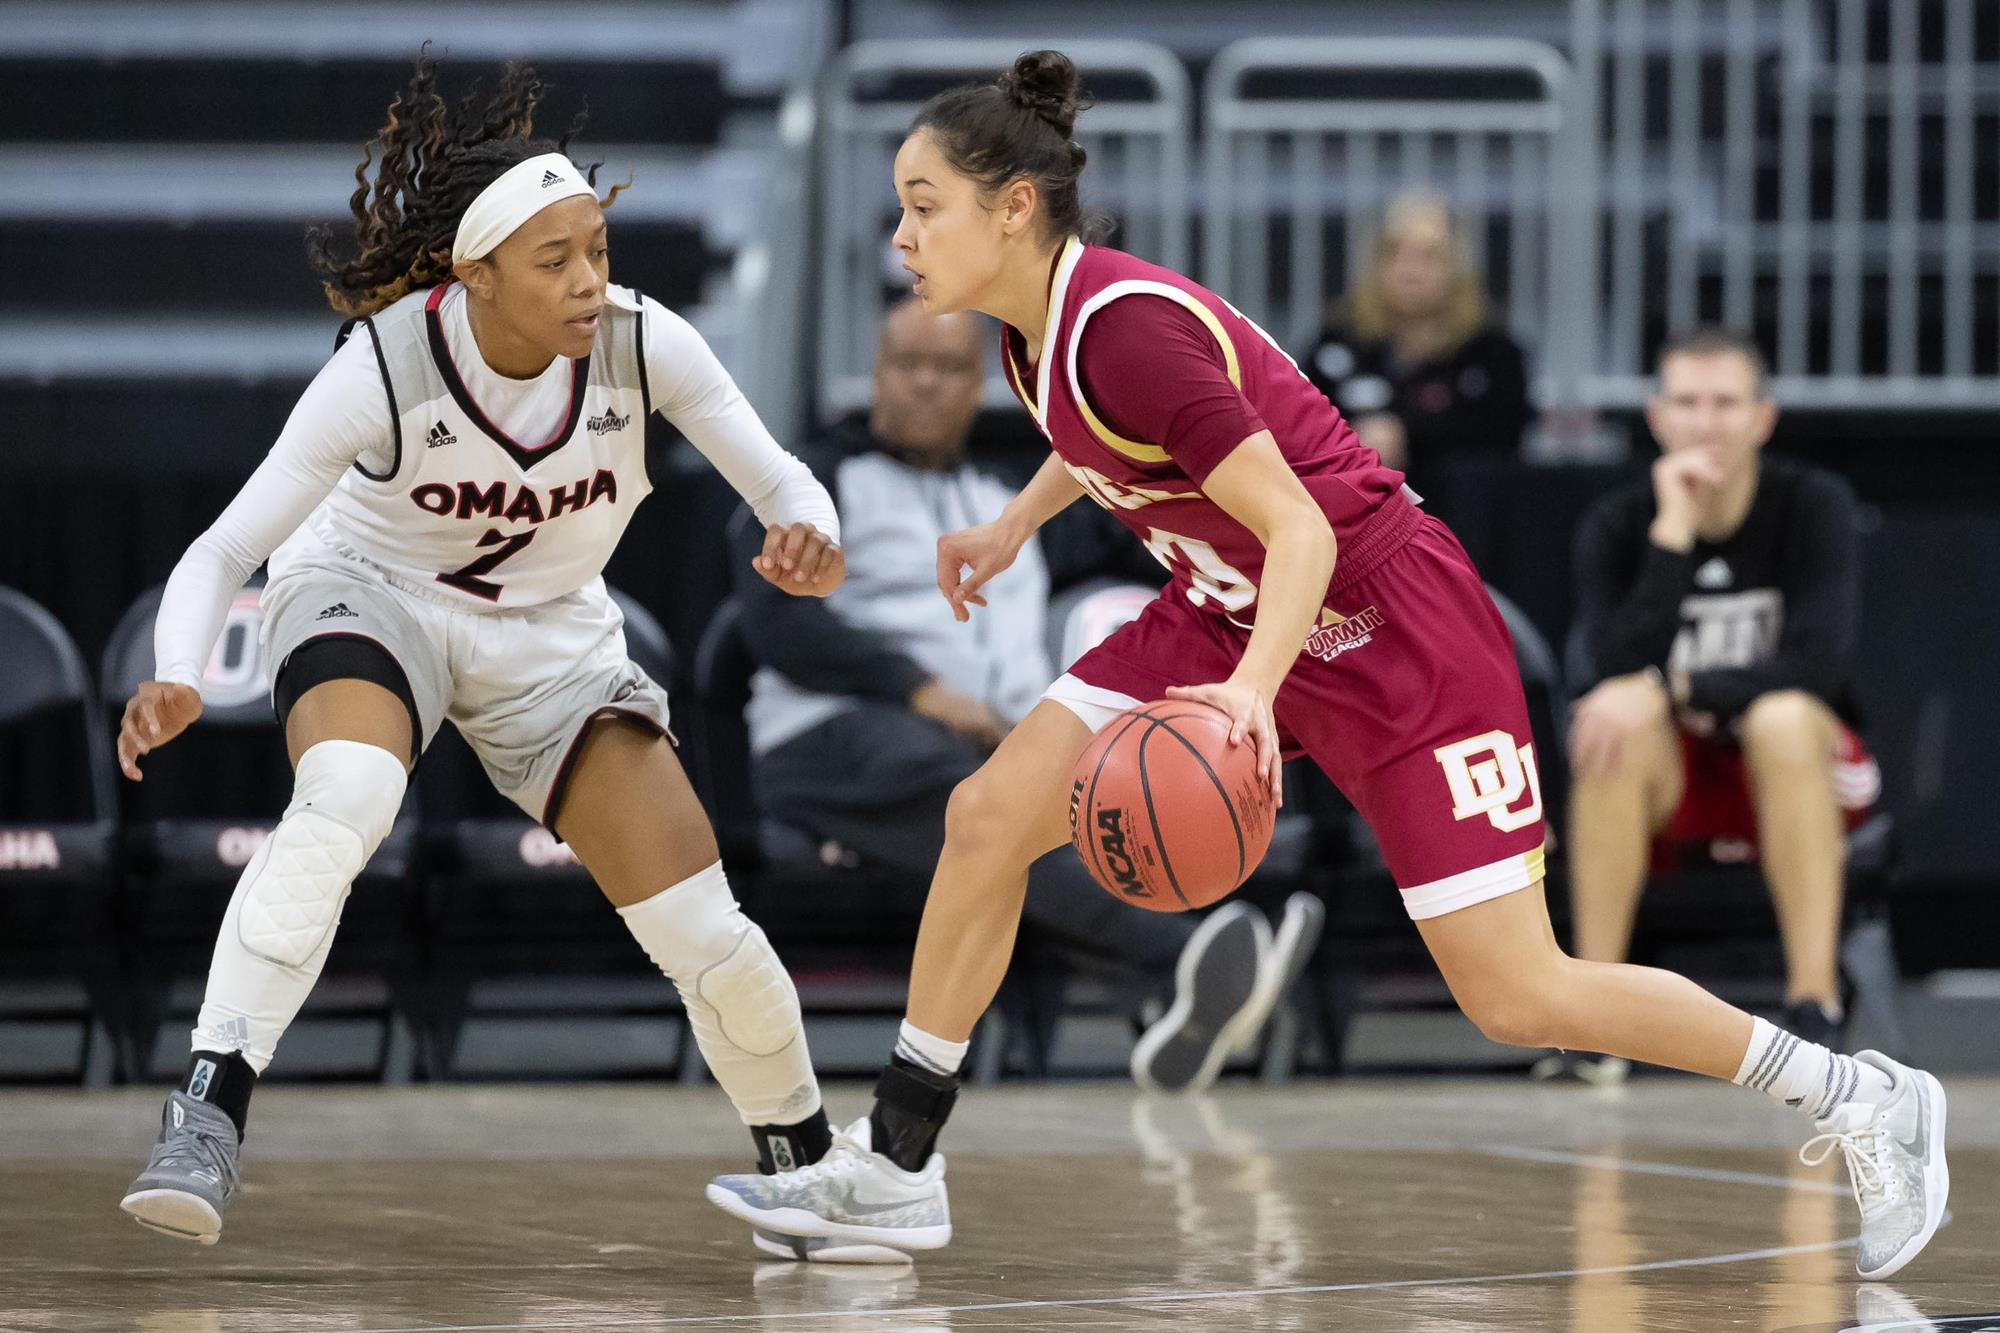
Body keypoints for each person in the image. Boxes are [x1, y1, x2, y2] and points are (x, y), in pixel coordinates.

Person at [703, 51, 1947, 1280]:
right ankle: (900, 1162)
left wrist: (1247, 693)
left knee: (1519, 994)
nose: (901, 235)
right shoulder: (1038, 334)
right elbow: (1105, 444)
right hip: (1227, 601)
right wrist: (1014, 521)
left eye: (923, 205)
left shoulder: (1121, 329)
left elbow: (1298, 523)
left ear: (1012, 206)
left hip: (1387, 626)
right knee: (986, 815)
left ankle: (1857, 1093)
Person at [113, 55, 862, 1260]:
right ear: (476, 276)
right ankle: (205, 1112)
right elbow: (222, 549)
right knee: (347, 796)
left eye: (598, 251)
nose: (588, 280)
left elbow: (790, 485)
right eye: (554, 260)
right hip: (371, 592)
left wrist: (813, 541)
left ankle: (812, 1176)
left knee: (703, 926)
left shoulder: (641, 346)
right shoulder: (383, 365)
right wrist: (183, 670)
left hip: (552, 631)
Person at [734, 295, 1324, 1093]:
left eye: (947, 369)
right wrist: (918, 690)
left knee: (1093, 785)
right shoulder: (823, 482)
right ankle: (1186, 954)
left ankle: (1186, 983)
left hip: (985, 738)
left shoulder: (1008, 498)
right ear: (873, 375)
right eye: (906, 365)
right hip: (834, 739)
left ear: (978, 385)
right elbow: (775, 625)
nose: (925, 386)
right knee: (974, 796)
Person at [1556, 326, 1880, 1084]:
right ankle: (1592, 1021)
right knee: (1610, 725)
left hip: (1806, 770)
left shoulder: (1813, 505)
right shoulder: (1619, 522)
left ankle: (1814, 1003)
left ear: (1762, 418)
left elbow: (1820, 660)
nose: (1706, 421)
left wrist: (1676, 689)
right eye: (1689, 402)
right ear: (1657, 415)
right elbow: (1609, 671)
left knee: (1785, 715)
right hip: (1673, 777)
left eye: (1727, 403)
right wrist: (1673, 532)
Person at [1303, 191, 1531, 486]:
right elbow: (1300, 424)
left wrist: (1406, 434)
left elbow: (1502, 435)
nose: (1410, 270)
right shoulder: (1336, 345)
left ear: (1457, 266)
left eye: (1430, 255)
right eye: (1394, 252)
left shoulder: (1492, 353)